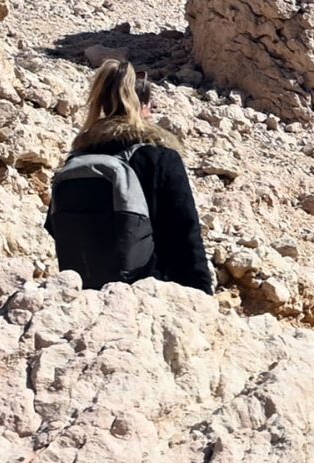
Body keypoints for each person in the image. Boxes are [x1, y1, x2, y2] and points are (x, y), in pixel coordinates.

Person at [46, 59, 213, 292]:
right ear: (144, 106)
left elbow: (53, 225)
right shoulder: (160, 158)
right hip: (147, 291)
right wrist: (201, 292)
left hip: (86, 292)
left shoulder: (79, 157)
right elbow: (185, 231)